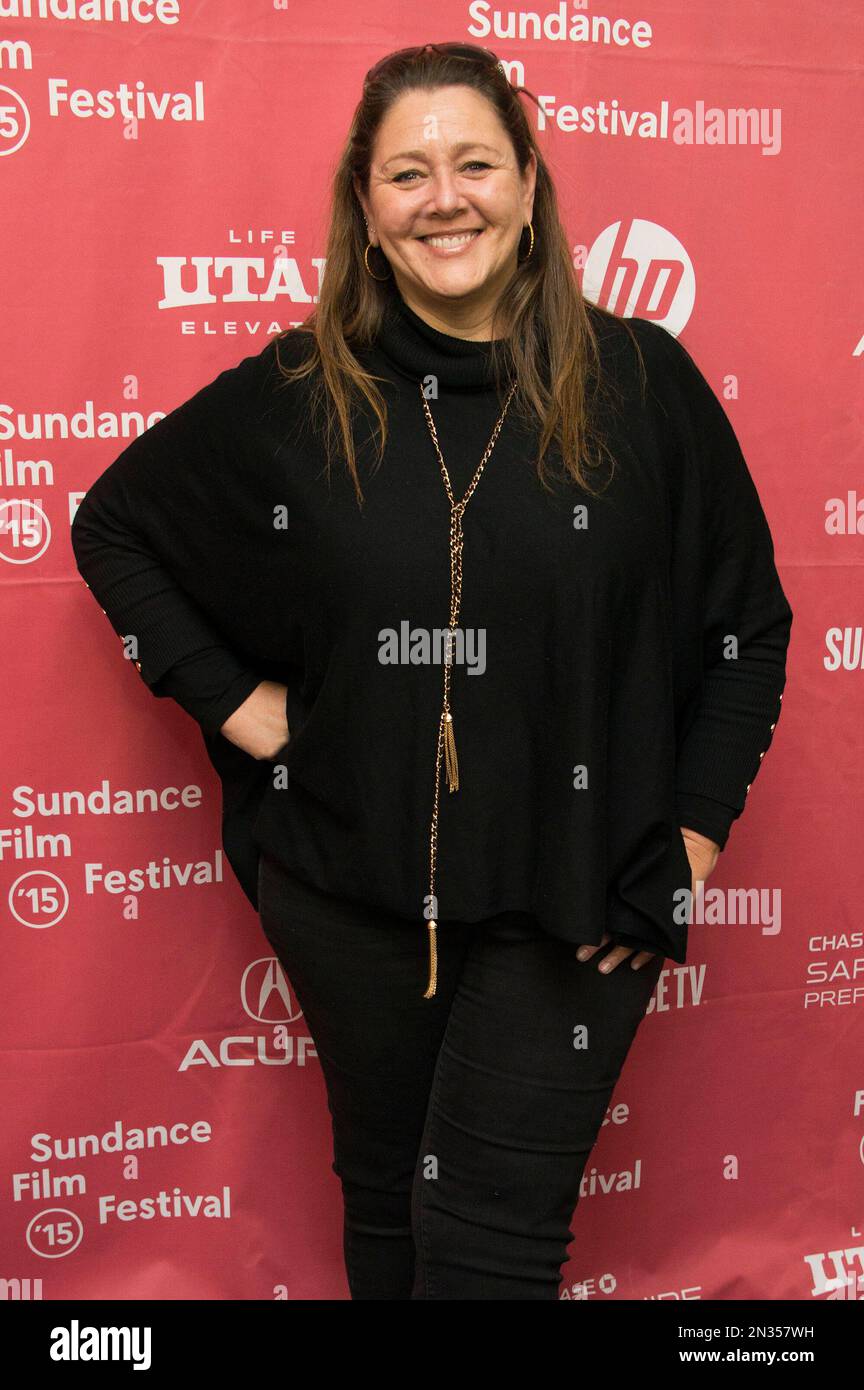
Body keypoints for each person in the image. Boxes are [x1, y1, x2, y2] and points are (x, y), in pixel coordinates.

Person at [70, 42, 793, 1299]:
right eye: (407, 172)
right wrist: (243, 712)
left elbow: (748, 626)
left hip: (574, 898)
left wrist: (693, 835)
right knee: (393, 1215)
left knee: (485, 1257)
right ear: (367, 206)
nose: (442, 197)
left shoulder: (643, 386)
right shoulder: (304, 394)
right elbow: (113, 525)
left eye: (474, 162)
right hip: (353, 893)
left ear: (529, 184)